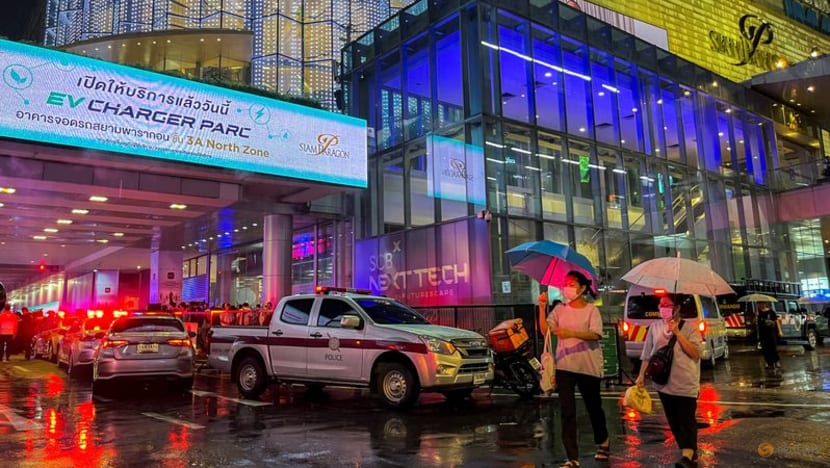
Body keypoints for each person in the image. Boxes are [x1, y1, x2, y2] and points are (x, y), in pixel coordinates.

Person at [547, 271, 609, 467]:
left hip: (588, 366)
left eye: (572, 284)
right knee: (567, 411)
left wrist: (571, 333)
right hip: (565, 365)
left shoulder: (592, 310)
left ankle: (603, 440)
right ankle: (572, 457)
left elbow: (596, 335)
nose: (568, 288)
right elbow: (546, 330)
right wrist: (541, 308)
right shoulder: (559, 310)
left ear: (582, 288)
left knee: (593, 407)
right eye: (566, 284)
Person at [636, 293, 704, 468]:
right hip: (663, 384)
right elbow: (647, 355)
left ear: (677, 308)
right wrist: (641, 375)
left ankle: (687, 455)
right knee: (674, 421)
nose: (662, 308)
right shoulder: (655, 327)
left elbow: (696, 354)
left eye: (667, 304)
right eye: (660, 305)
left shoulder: (689, 328)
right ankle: (688, 452)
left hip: (685, 384)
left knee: (686, 420)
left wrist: (678, 333)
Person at [757, 302, 780, 369]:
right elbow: (758, 323)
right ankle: (768, 362)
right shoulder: (758, 313)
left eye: (762, 303)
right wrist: (756, 317)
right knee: (765, 348)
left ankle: (776, 361)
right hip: (763, 333)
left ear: (765, 304)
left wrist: (779, 331)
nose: (761, 305)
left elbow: (776, 321)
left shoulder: (771, 312)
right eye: (759, 304)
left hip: (771, 332)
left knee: (773, 346)